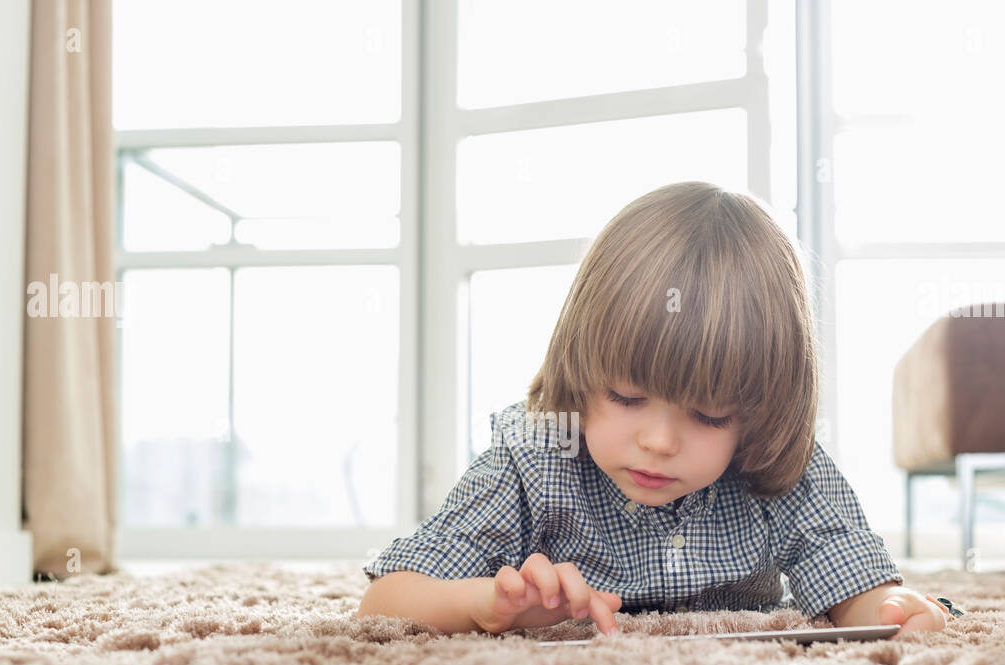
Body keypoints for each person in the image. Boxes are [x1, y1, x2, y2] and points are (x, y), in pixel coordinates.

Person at [356, 182, 958, 639]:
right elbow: (387, 601)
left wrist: (891, 611)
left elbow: (851, 578)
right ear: (583, 368)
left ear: (756, 414)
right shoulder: (534, 450)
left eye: (710, 415)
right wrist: (484, 604)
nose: (660, 441)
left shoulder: (775, 463)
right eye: (625, 398)